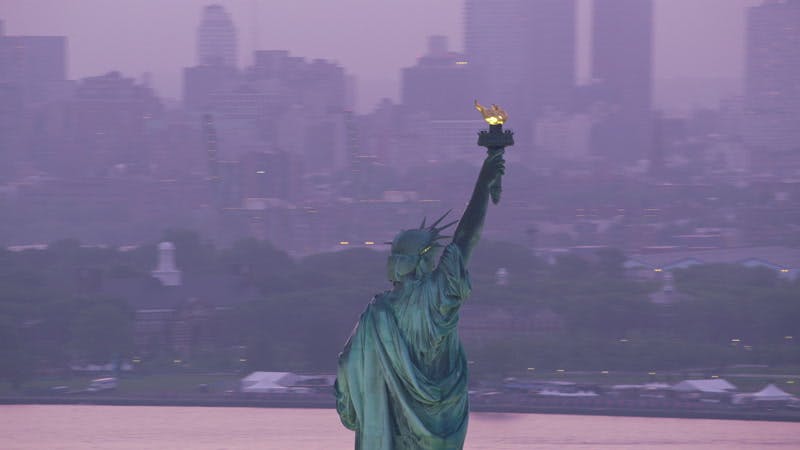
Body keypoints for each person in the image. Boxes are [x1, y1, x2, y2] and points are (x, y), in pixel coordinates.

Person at [335, 150, 505, 449]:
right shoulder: (436, 296)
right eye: (432, 254)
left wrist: (356, 406)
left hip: (391, 432)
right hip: (441, 422)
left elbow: (347, 365)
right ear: (421, 261)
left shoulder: (377, 314)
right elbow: (466, 238)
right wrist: (484, 182)